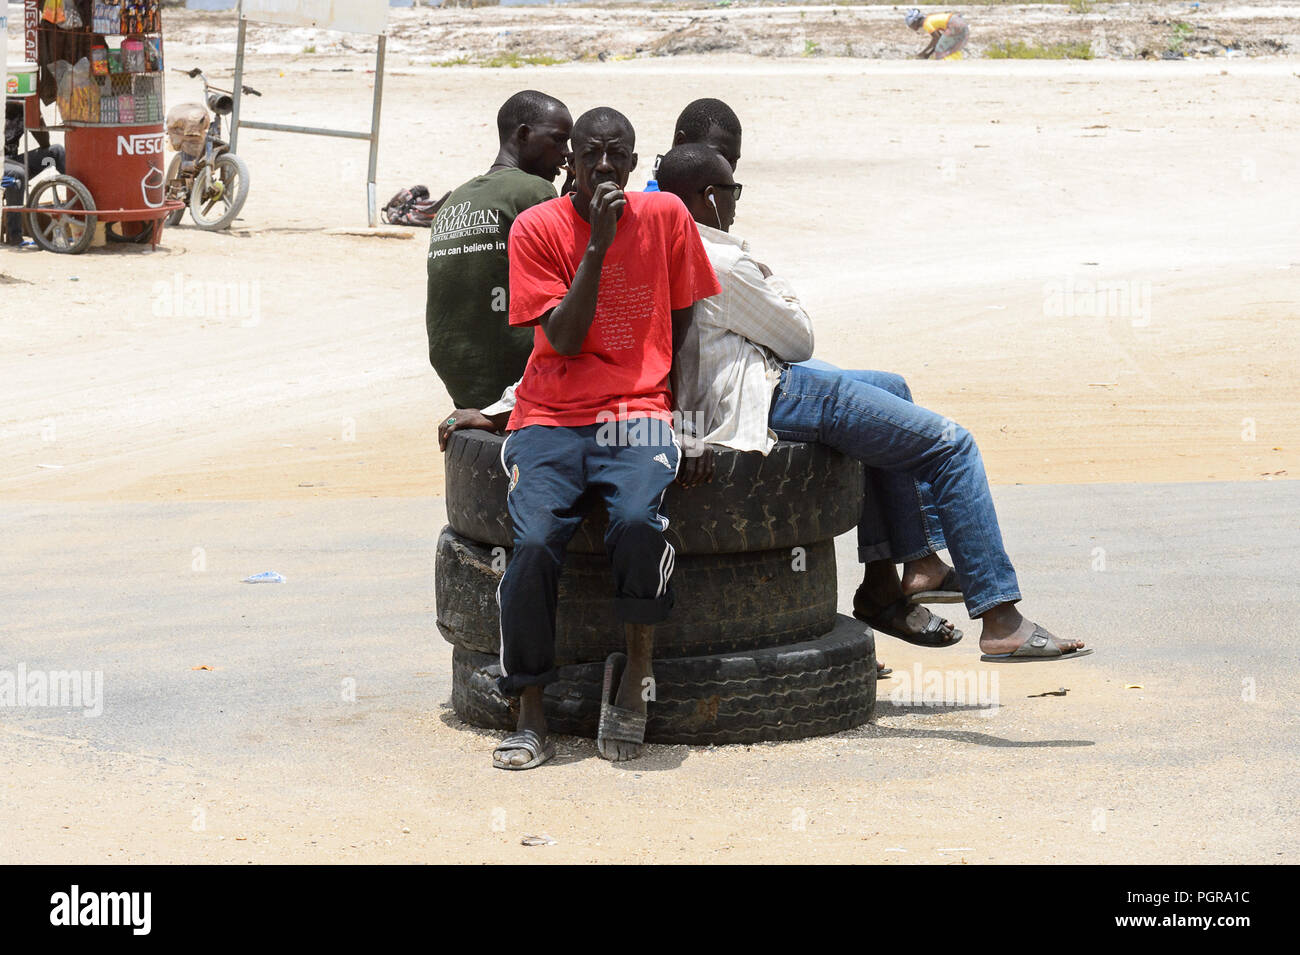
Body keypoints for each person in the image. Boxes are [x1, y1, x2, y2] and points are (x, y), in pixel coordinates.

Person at [656, 143, 1091, 666]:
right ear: (707, 196)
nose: (735, 204)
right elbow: (799, 340)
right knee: (952, 447)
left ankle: (906, 570)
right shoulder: (722, 259)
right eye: (732, 192)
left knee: (891, 389)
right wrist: (772, 278)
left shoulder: (657, 242)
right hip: (764, 398)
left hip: (733, 390)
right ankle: (1001, 618)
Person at [488, 107, 720, 771]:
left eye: (619, 156)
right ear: (572, 165)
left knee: (640, 522)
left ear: (636, 160)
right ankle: (529, 704)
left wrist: (688, 419)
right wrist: (598, 243)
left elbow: (684, 329)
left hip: (637, 410)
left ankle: (635, 672)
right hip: (551, 416)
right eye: (593, 157)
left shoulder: (668, 217)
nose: (607, 168)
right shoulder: (537, 228)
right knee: (532, 545)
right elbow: (560, 336)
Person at [425, 90, 573, 410]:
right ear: (523, 134)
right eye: (559, 140)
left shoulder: (456, 199)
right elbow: (573, 270)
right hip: (511, 368)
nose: (565, 154)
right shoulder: (534, 190)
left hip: (455, 369)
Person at [4, 97, 67, 247]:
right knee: (17, 174)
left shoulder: (20, 105)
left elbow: (45, 143)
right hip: (6, 165)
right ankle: (14, 235)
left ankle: (85, 207)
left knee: (56, 152)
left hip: (11, 160)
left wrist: (35, 115)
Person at [644, 97, 742, 192]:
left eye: (733, 161)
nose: (727, 169)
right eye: (719, 156)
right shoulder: (657, 205)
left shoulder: (715, 200)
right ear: (680, 142)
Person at [906, 9, 970, 60]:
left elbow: (936, 39)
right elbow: (939, 39)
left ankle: (949, 64)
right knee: (949, 46)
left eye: (910, 26)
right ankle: (958, 61)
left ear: (915, 22)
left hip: (954, 24)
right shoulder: (929, 19)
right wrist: (928, 54)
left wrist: (923, 52)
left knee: (940, 50)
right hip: (960, 22)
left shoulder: (925, 24)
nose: (911, 28)